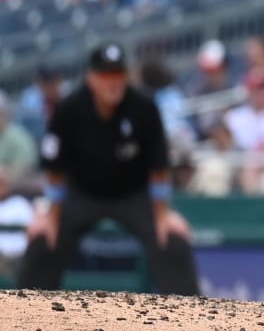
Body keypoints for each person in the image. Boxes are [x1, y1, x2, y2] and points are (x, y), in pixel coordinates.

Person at [17, 44, 200, 295]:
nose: (112, 83)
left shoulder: (143, 108)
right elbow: (55, 169)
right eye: (105, 76)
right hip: (81, 192)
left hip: (133, 193)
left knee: (172, 239)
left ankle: (193, 324)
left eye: (118, 75)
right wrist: (51, 213)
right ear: (91, 78)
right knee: (43, 239)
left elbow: (158, 167)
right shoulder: (70, 108)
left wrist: (163, 214)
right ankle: (24, 318)